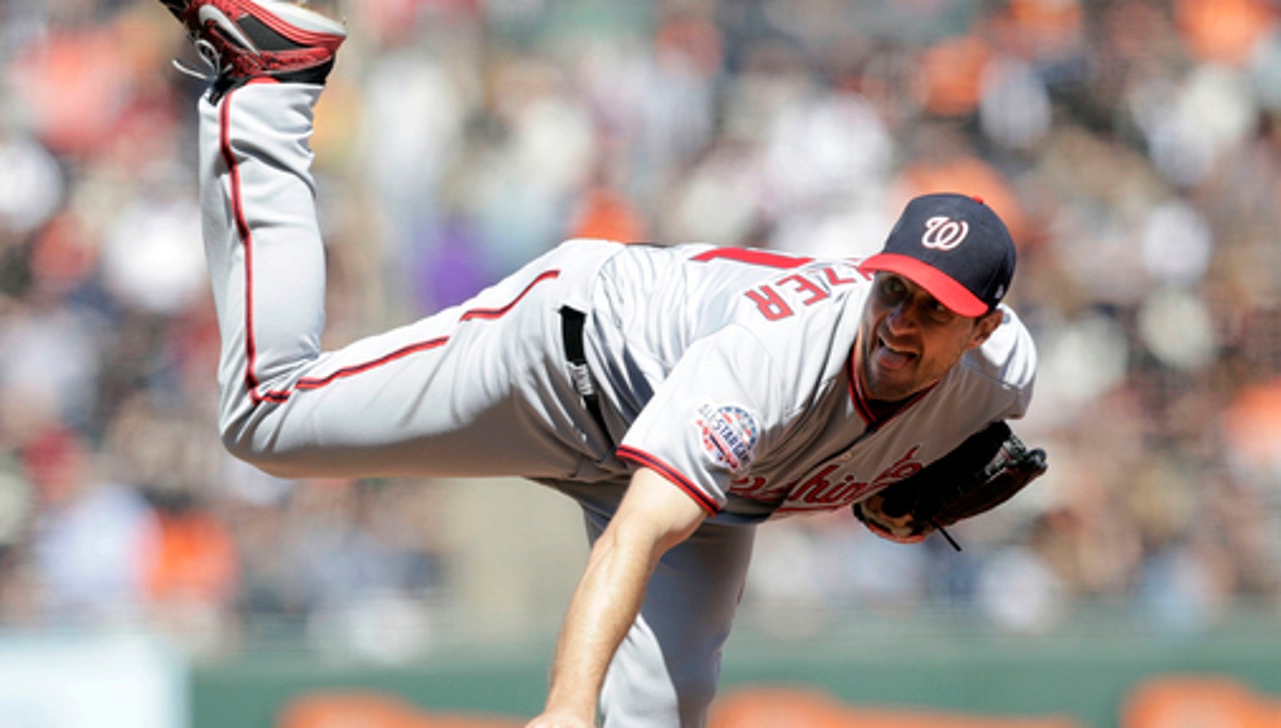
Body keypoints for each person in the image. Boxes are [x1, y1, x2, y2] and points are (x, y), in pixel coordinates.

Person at [157, 2, 1037, 726]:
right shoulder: (779, 356)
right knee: (267, 417)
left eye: (934, 311)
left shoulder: (1004, 375)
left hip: (718, 492)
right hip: (564, 368)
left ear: (985, 327)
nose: (898, 322)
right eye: (894, 291)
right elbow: (640, 532)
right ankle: (271, 83)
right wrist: (569, 708)